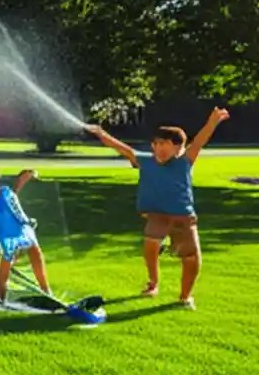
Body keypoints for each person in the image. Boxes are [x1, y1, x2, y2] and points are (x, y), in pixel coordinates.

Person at [86, 107, 230, 310]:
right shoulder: (146, 161)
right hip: (157, 215)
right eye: (156, 144)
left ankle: (185, 296)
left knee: (191, 258)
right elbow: (122, 148)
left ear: (178, 147)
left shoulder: (184, 162)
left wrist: (213, 120)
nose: (159, 148)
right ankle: (153, 284)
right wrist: (101, 134)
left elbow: (199, 141)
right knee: (150, 245)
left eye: (165, 144)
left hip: (183, 217)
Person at [0, 167, 51, 303]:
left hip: (23, 228)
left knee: (35, 252)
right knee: (7, 261)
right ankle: (0, 294)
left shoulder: (5, 191)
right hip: (7, 235)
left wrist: (29, 175)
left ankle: (46, 290)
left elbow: (16, 187)